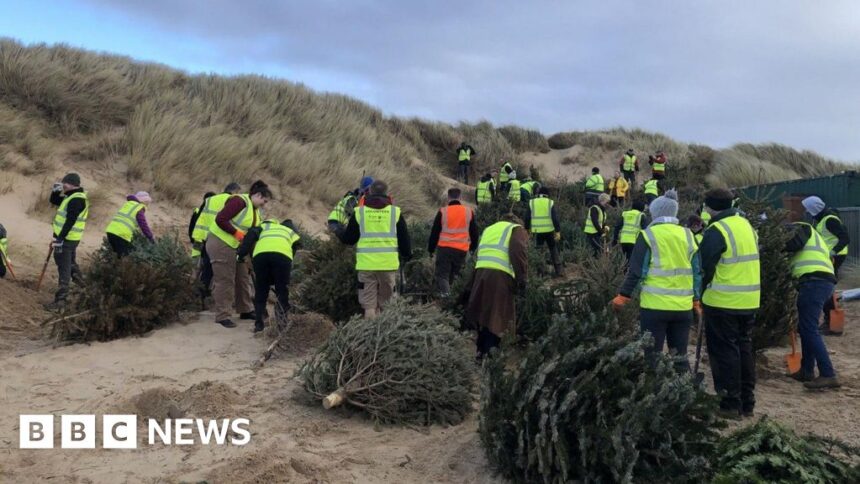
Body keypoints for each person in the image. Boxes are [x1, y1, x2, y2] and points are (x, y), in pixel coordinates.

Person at [612, 190, 701, 373]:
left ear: (655, 213)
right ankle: (684, 396)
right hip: (683, 309)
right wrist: (696, 300)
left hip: (654, 308)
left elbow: (636, 272)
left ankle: (655, 396)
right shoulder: (688, 235)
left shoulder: (648, 235)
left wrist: (623, 296)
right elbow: (697, 272)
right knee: (680, 358)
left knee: (652, 357)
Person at [699, 188, 760, 418]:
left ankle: (729, 403)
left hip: (723, 301)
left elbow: (704, 267)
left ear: (710, 207)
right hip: (748, 300)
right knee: (744, 349)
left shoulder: (717, 229)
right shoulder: (746, 225)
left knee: (724, 353)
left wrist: (700, 292)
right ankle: (747, 402)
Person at [339, 180, 412, 318]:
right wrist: (407, 255)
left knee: (369, 306)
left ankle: (370, 336)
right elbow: (404, 239)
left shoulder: (359, 213)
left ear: (369, 192)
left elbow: (349, 239)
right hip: (388, 265)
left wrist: (339, 231)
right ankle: (386, 335)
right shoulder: (395, 213)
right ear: (387, 194)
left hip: (366, 266)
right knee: (388, 305)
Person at [783, 221, 841, 389]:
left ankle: (828, 374)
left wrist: (773, 245)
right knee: (806, 327)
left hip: (814, 281)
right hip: (819, 282)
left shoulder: (802, 228)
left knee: (809, 328)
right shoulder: (815, 236)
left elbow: (792, 244)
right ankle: (807, 370)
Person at [207, 180, 271, 328]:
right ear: (258, 195)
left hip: (236, 247)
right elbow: (221, 219)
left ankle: (245, 309)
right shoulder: (239, 201)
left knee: (242, 277)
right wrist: (236, 233)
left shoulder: (255, 211)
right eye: (264, 201)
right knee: (225, 279)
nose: (264, 205)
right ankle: (223, 315)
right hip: (221, 243)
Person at [466, 213, 529, 359]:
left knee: (483, 315)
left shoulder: (490, 229)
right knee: (498, 317)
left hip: (480, 274)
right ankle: (490, 355)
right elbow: (518, 252)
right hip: (500, 277)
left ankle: (480, 353)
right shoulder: (516, 229)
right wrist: (522, 279)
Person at [237, 218, 301, 333]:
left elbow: (250, 236)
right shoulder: (289, 231)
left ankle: (259, 324)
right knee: (282, 290)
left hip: (261, 256)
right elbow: (298, 244)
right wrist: (289, 258)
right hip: (282, 257)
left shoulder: (265, 227)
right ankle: (281, 324)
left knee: (261, 290)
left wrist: (241, 254)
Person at [801, 196, 850, 335]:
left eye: (808, 209)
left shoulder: (830, 220)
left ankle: (831, 323)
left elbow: (845, 238)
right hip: (828, 257)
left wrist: (833, 252)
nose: (807, 211)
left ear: (813, 208)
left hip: (834, 257)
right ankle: (830, 321)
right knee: (829, 289)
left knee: (826, 288)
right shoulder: (823, 219)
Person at [191, 183, 241, 302]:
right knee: (221, 271)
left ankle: (199, 295)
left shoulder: (210, 200)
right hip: (220, 238)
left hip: (203, 237)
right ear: (235, 192)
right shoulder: (233, 201)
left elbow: (201, 218)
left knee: (204, 268)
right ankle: (214, 298)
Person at [46, 173, 88, 310]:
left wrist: (60, 238)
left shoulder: (76, 200)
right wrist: (55, 191)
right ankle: (85, 289)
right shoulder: (71, 196)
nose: (63, 185)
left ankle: (60, 301)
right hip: (69, 238)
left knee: (64, 267)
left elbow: (71, 220)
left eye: (64, 183)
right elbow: (54, 202)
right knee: (70, 264)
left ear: (71, 184)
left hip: (67, 239)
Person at [428, 188, 478, 297]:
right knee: (456, 276)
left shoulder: (443, 211)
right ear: (460, 198)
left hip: (444, 248)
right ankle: (454, 300)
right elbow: (474, 233)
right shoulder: (469, 211)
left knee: (442, 276)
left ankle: (446, 297)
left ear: (448, 198)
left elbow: (434, 233)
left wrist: (431, 250)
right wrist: (473, 248)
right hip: (461, 250)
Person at [525, 186, 562, 276]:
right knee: (553, 249)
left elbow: (527, 218)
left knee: (539, 251)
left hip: (536, 232)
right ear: (547, 194)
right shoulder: (550, 202)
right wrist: (558, 231)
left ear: (538, 194)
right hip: (549, 231)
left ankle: (540, 273)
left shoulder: (532, 202)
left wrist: (527, 229)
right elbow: (555, 218)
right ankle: (559, 271)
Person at [105, 192, 155, 257]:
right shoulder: (139, 208)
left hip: (111, 231)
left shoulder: (128, 204)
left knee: (117, 256)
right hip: (121, 234)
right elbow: (143, 225)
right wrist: (150, 237)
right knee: (126, 258)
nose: (147, 205)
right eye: (147, 203)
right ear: (144, 201)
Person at [189, 191, 216, 258]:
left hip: (198, 240)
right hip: (208, 241)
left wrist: (192, 238)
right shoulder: (215, 213)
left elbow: (191, 227)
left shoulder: (198, 211)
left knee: (197, 261)